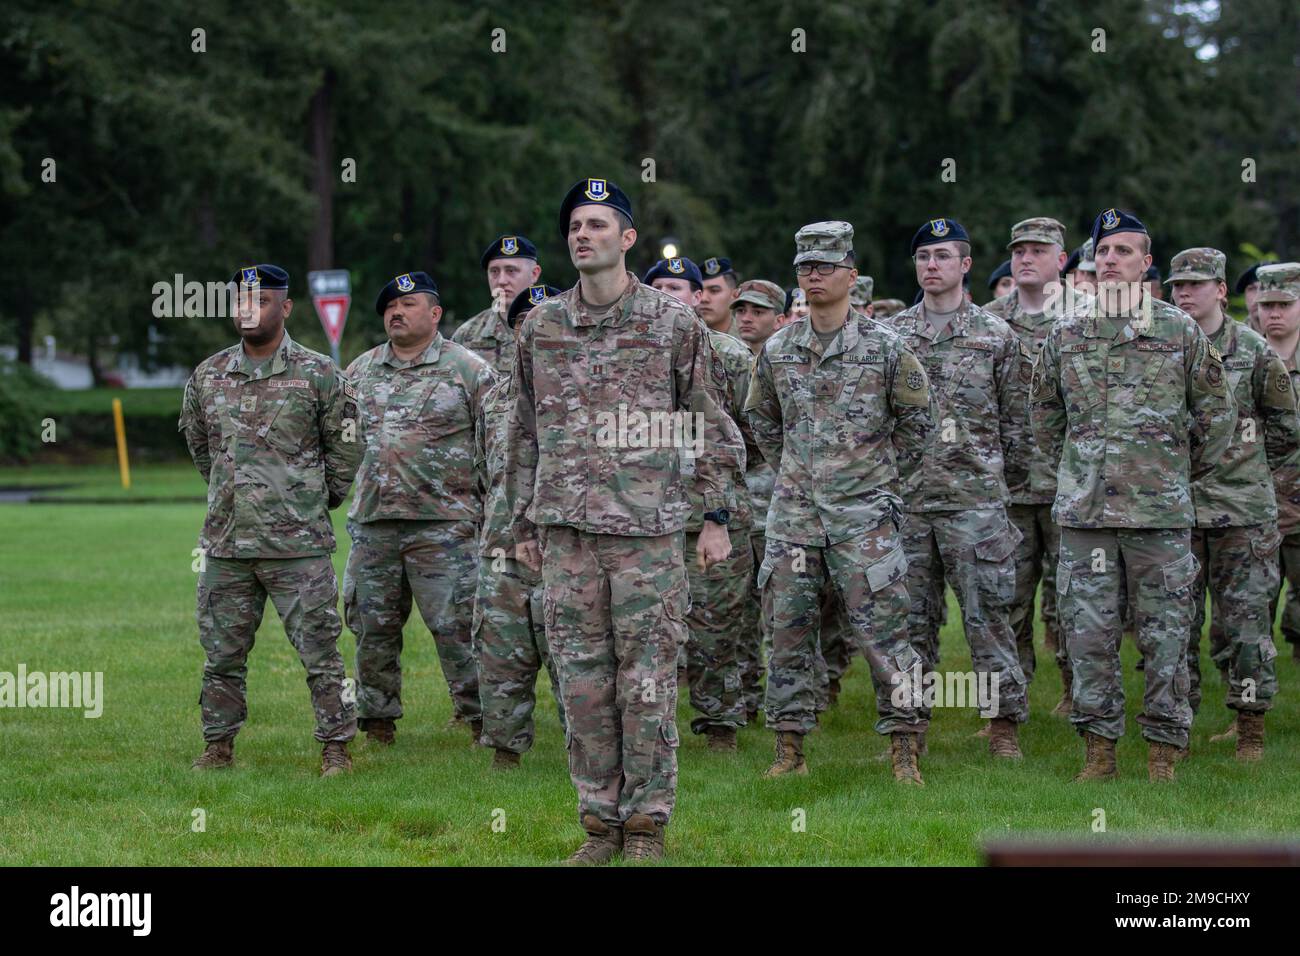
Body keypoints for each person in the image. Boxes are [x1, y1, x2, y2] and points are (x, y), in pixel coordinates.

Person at [505, 178, 742, 863]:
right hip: (565, 533)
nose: (584, 234)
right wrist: (518, 525)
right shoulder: (541, 327)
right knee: (581, 685)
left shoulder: (672, 325)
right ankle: (599, 826)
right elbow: (520, 433)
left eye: (599, 225)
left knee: (646, 683)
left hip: (647, 536)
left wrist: (715, 516)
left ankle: (646, 827)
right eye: (576, 225)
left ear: (627, 239)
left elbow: (712, 426)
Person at [1030, 208, 1235, 782]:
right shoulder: (1065, 333)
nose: (1112, 260)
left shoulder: (1179, 331)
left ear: (1147, 263)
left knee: (1166, 635)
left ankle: (1165, 752)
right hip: (1087, 515)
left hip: (1160, 515)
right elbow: (1044, 415)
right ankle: (1098, 753)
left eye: (1125, 251)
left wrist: (1172, 474)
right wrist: (1075, 471)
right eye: (1105, 251)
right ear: (1094, 262)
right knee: (1088, 635)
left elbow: (1217, 416)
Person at [744, 220, 932, 784]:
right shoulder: (779, 349)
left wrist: (876, 480)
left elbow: (919, 424)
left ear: (851, 274)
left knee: (888, 635)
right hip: (795, 519)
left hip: (864, 519)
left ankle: (904, 749)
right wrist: (799, 473)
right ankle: (789, 750)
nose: (813, 275)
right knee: (787, 633)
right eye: (805, 266)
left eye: (825, 266)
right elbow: (762, 419)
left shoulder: (886, 347)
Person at [181, 264, 361, 776]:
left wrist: (317, 498)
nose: (248, 309)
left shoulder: (318, 373)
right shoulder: (209, 374)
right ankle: (218, 747)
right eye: (241, 300)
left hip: (298, 546)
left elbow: (347, 443)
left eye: (260, 300)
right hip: (226, 545)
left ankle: (335, 748)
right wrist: (227, 494)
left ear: (285, 308)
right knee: (221, 655)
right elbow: (200, 444)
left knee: (321, 653)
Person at [893, 219, 1028, 757]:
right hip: (908, 504)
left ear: (965, 265)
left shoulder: (996, 336)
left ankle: (1003, 728)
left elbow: (1020, 424)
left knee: (988, 617)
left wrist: (996, 485)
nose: (932, 266)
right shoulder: (893, 335)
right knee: (906, 623)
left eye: (943, 256)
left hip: (976, 505)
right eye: (924, 256)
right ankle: (909, 731)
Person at [344, 271, 497, 746]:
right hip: (374, 523)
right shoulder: (359, 371)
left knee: (457, 627)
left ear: (435, 313)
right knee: (372, 626)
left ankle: (480, 720)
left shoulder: (469, 370)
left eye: (409, 304)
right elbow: (338, 443)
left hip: (445, 525)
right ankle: (377, 722)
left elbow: (499, 445)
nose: (396, 311)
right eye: (390, 305)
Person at [1168, 248, 1296, 761]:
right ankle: (1175, 727)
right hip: (1174, 511)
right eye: (1177, 285)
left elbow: (1286, 429)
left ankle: (1249, 729)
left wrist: (1245, 470)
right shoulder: (1162, 346)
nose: (1184, 293)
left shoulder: (1254, 349)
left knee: (1244, 626)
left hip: (1242, 514)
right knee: (1173, 627)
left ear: (1222, 290)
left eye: (1196, 285)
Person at [644, 256, 755, 751]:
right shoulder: (633, 351)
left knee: (717, 628)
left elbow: (755, 432)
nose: (669, 295)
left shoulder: (731, 355)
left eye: (679, 287)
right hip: (645, 517)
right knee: (648, 633)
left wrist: (722, 506)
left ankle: (720, 728)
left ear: (697, 296)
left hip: (714, 513)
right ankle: (650, 726)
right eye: (658, 287)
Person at [475, 284, 566, 768]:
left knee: (576, 659)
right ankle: (505, 753)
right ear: (513, 332)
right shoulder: (492, 398)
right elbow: (482, 471)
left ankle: (588, 752)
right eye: (523, 322)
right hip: (503, 549)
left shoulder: (586, 396)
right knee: (499, 654)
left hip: (567, 548)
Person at [983, 218, 1070, 710]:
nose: (1025, 258)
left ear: (1061, 259)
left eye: (1038, 249)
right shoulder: (988, 322)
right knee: (1005, 601)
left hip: (1071, 489)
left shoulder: (1086, 318)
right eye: (1018, 250)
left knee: (1074, 602)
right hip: (1008, 490)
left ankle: (1076, 692)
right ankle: (1008, 705)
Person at [730, 279, 788, 719]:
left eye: (758, 311)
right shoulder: (723, 361)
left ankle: (793, 697)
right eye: (742, 310)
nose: (747, 318)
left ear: (780, 319)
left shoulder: (788, 364)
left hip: (777, 503)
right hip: (735, 506)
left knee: (782, 609)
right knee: (736, 610)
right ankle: (745, 696)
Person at [1258, 263, 1300, 666]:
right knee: (1253, 605)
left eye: (1284, 304)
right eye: (1267, 303)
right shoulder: (1241, 355)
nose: (1273, 312)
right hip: (1257, 502)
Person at [451, 234, 543, 376]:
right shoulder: (467, 336)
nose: (501, 280)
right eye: (494, 271)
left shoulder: (557, 326)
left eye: (511, 271)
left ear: (534, 274)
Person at [698, 256, 740, 335]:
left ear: (735, 295)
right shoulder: (683, 340)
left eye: (714, 291)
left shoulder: (750, 341)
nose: (703, 298)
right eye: (700, 292)